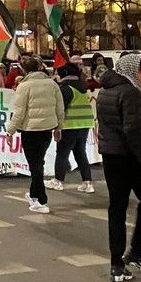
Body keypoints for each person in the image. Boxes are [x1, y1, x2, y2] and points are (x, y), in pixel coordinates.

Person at [96, 52, 141, 282]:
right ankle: (134, 252)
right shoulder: (130, 92)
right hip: (129, 157)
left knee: (117, 207)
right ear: (133, 69)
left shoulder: (106, 89)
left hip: (110, 156)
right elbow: (133, 131)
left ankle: (118, 261)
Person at [6, 56, 64, 214]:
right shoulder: (52, 84)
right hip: (47, 129)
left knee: (35, 165)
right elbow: (60, 108)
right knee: (38, 163)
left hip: (30, 130)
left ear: (25, 70)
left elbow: (19, 112)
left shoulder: (24, 86)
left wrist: (10, 131)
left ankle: (41, 199)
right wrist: (59, 127)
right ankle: (34, 194)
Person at [47, 63, 95, 194]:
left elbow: (60, 109)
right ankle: (87, 182)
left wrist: (57, 127)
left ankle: (58, 180)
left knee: (62, 152)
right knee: (80, 153)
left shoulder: (66, 89)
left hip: (70, 125)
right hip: (85, 124)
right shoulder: (82, 87)